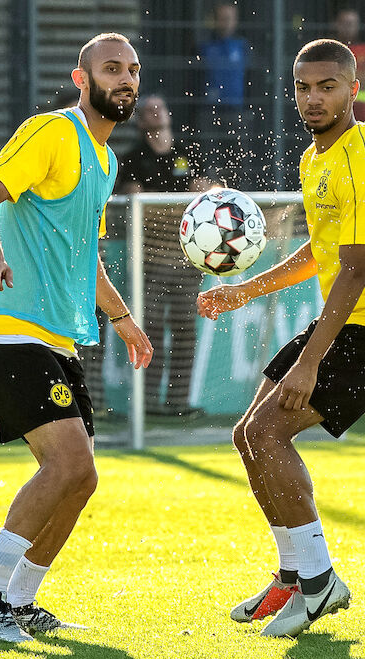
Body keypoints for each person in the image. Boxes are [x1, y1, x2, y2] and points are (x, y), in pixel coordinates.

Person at [197, 39, 365, 638]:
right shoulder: (315, 156)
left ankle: (320, 583)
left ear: (354, 88)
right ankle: (295, 575)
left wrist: (307, 365)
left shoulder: (361, 155)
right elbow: (319, 254)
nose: (314, 98)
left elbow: (355, 269)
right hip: (348, 318)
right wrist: (243, 289)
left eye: (327, 86)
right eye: (303, 86)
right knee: (249, 435)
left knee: (269, 432)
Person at [0, 32, 155, 643]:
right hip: (9, 330)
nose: (124, 79)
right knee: (69, 462)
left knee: (81, 476)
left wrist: (122, 318)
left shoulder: (108, 158)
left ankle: (18, 599)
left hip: (56, 339)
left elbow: (82, 253)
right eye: (111, 69)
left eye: (133, 71)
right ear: (81, 78)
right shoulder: (53, 132)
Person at [118, 95, 212, 419]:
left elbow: (207, 191)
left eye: (160, 107)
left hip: (187, 257)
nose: (155, 113)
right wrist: (177, 206)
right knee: (152, 328)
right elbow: (134, 204)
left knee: (186, 328)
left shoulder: (189, 151)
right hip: (150, 260)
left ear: (169, 114)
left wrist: (176, 203)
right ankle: (147, 403)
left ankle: (178, 402)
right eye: (147, 111)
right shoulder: (132, 158)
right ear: (140, 122)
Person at [197, 1, 253, 188]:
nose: (225, 23)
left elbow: (253, 78)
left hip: (238, 110)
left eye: (229, 18)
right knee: (211, 157)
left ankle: (240, 192)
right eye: (221, 19)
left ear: (235, 20)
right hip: (210, 110)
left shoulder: (243, 46)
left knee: (240, 157)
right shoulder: (204, 47)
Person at [334, 6, 365, 123]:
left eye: (351, 23)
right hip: (337, 111)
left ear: (358, 25)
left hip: (364, 112)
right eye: (344, 23)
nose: (347, 28)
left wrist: (339, 76)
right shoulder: (331, 50)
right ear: (337, 24)